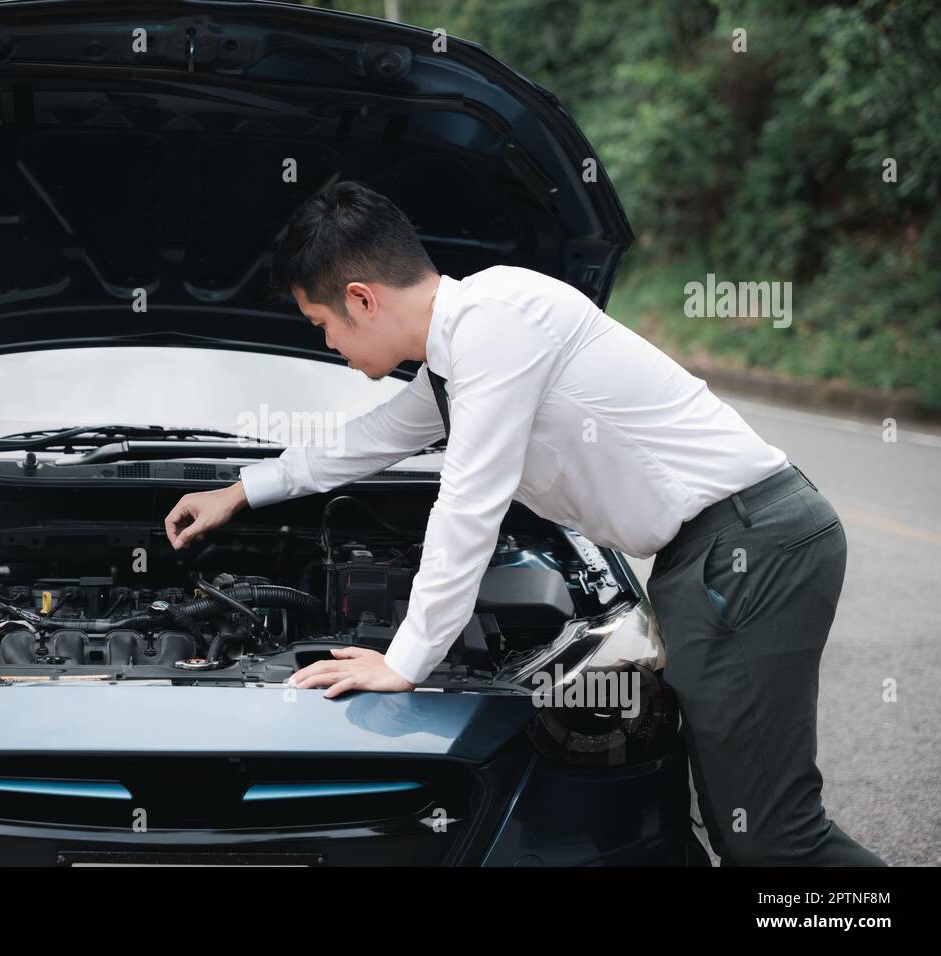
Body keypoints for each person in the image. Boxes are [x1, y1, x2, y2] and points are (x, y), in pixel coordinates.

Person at [162, 181, 884, 866]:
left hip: (752, 546)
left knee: (770, 837)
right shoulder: (456, 361)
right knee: (732, 819)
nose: (329, 348)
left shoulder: (497, 325)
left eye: (322, 327)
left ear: (362, 299)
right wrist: (241, 491)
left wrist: (404, 660)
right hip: (713, 552)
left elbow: (470, 502)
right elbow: (369, 438)